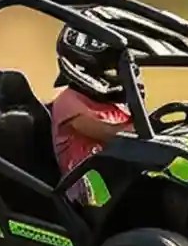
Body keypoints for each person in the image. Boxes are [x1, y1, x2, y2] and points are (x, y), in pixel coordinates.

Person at [49, 24, 135, 202]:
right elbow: (110, 135)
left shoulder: (112, 103)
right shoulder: (69, 101)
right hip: (89, 191)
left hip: (116, 179)